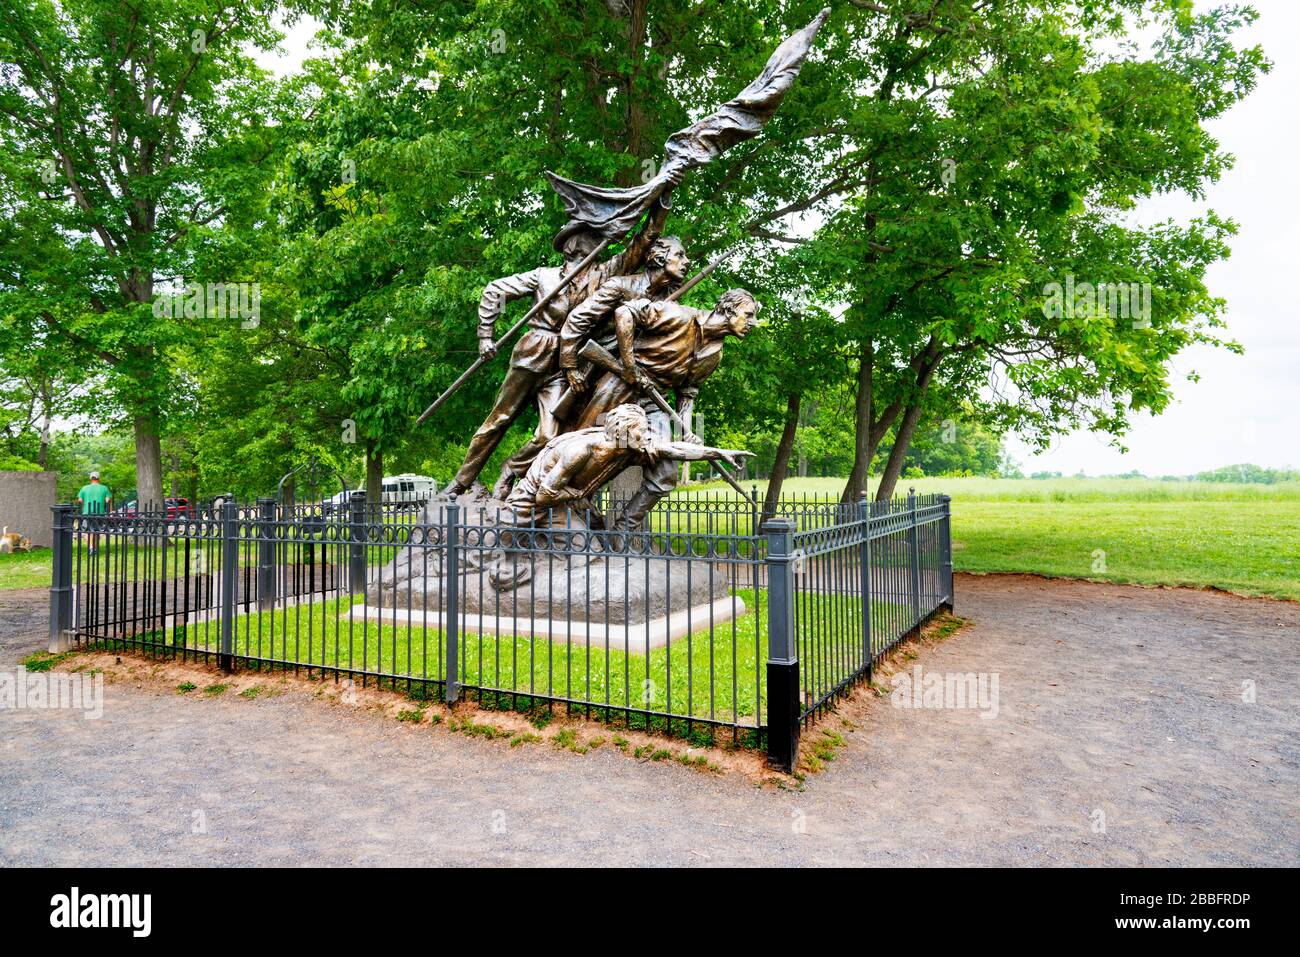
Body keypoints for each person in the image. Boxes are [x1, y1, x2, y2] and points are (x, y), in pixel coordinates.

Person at [443, 171, 684, 498]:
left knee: (547, 436)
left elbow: (642, 242)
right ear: (572, 244)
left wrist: (663, 196)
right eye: (587, 237)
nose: (595, 241)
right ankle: (461, 482)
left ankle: (516, 474)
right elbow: (494, 291)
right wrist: (486, 336)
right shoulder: (543, 277)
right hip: (532, 353)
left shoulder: (604, 274)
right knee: (499, 420)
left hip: (565, 366)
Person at [491, 235, 693, 498]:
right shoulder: (621, 286)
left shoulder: (672, 303)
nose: (686, 262)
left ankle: (576, 500)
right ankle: (517, 475)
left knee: (623, 447)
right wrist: (571, 367)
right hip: (594, 374)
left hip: (634, 382)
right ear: (657, 258)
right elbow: (576, 321)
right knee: (562, 438)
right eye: (680, 255)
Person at [570, 289, 760, 529]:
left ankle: (620, 532)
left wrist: (686, 432)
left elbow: (687, 394)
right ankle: (565, 508)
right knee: (588, 454)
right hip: (620, 387)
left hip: (654, 402)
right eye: (749, 315)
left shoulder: (714, 354)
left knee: (665, 474)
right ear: (729, 310)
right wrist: (629, 366)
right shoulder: (677, 315)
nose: (752, 323)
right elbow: (624, 312)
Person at [503, 403, 748, 528]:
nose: (647, 438)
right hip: (530, 505)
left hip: (566, 505)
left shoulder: (628, 448)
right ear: (624, 433)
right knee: (497, 542)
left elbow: (675, 449)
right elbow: (544, 496)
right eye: (641, 432)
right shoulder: (580, 451)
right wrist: (575, 494)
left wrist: (719, 453)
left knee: (588, 542)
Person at [76, 471, 112, 555]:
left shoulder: (84, 488)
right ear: (98, 478)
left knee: (88, 531)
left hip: (87, 512)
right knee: (96, 531)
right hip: (99, 512)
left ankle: (91, 547)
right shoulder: (104, 488)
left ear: (90, 478)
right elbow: (107, 500)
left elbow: (80, 500)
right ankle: (95, 548)